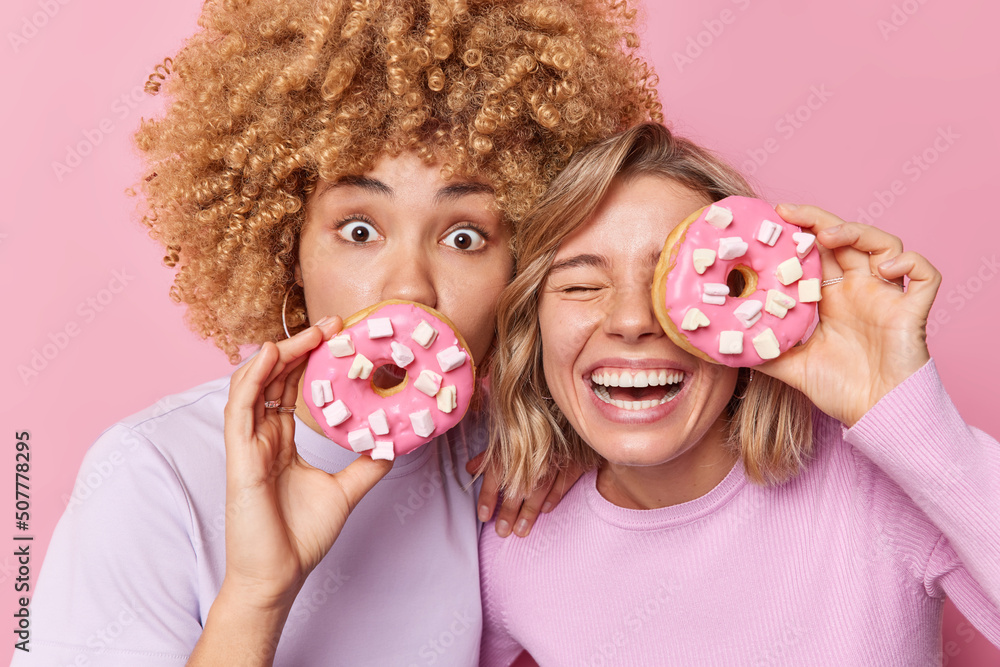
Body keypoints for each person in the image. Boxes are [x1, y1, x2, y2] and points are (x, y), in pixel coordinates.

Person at [21, 2, 661, 665]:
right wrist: (258, 593)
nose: (409, 287)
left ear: (522, 265)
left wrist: (564, 440)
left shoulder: (505, 466)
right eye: (360, 229)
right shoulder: (152, 473)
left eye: (464, 236)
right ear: (286, 247)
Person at [479, 122, 1000, 665]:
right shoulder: (513, 545)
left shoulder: (878, 489)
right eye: (581, 285)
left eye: (674, 282)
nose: (632, 321)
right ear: (531, 326)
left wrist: (897, 406)